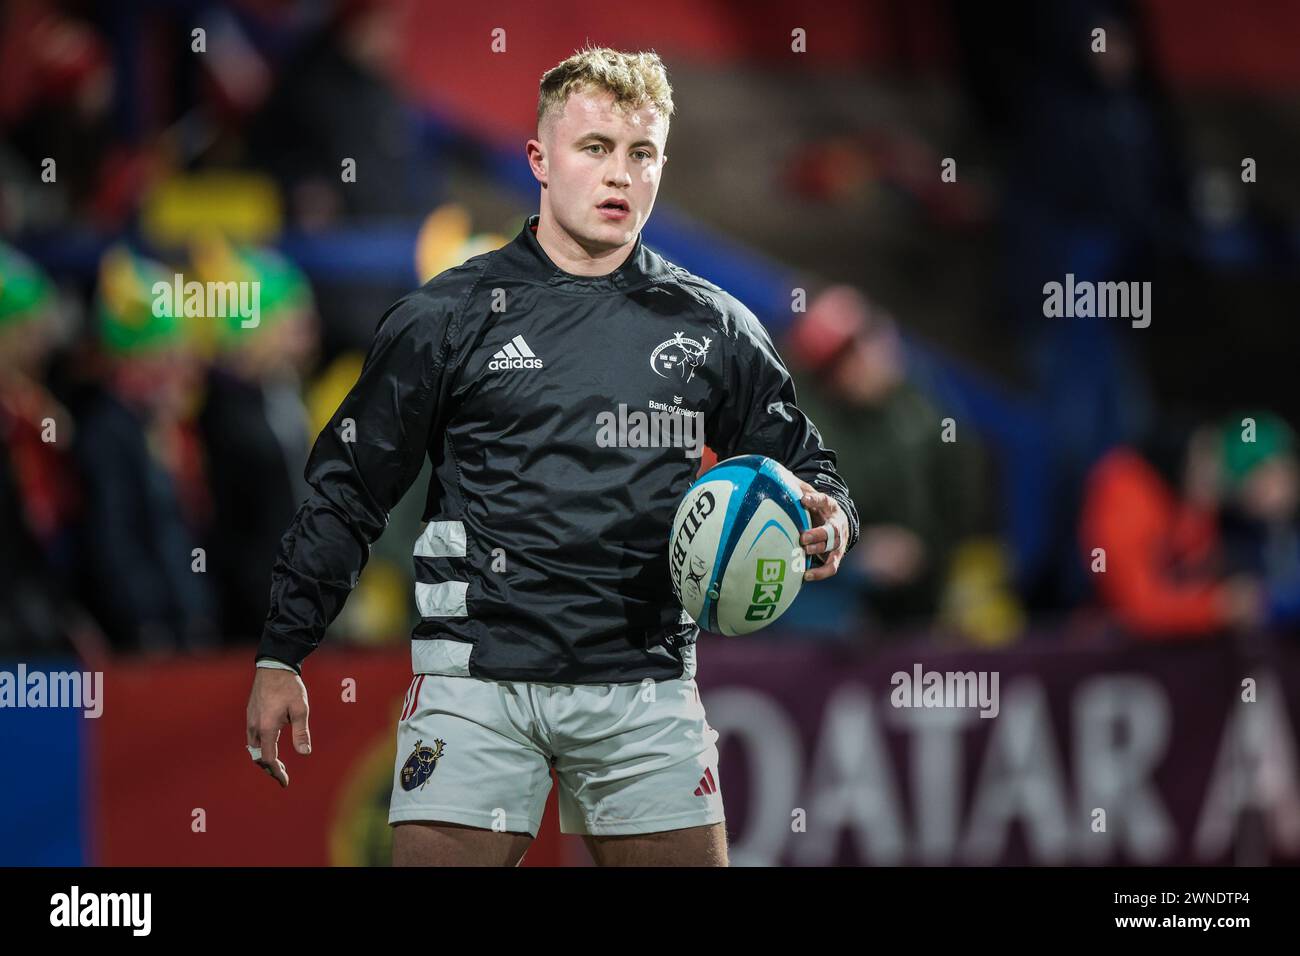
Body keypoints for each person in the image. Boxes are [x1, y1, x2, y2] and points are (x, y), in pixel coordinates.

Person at [245, 47, 859, 867]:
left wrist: (831, 515)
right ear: (539, 160)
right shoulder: (447, 317)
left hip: (643, 688)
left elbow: (806, 467)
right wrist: (285, 647)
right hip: (477, 688)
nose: (620, 175)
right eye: (595, 147)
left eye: (641, 154)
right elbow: (350, 488)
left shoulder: (714, 327)